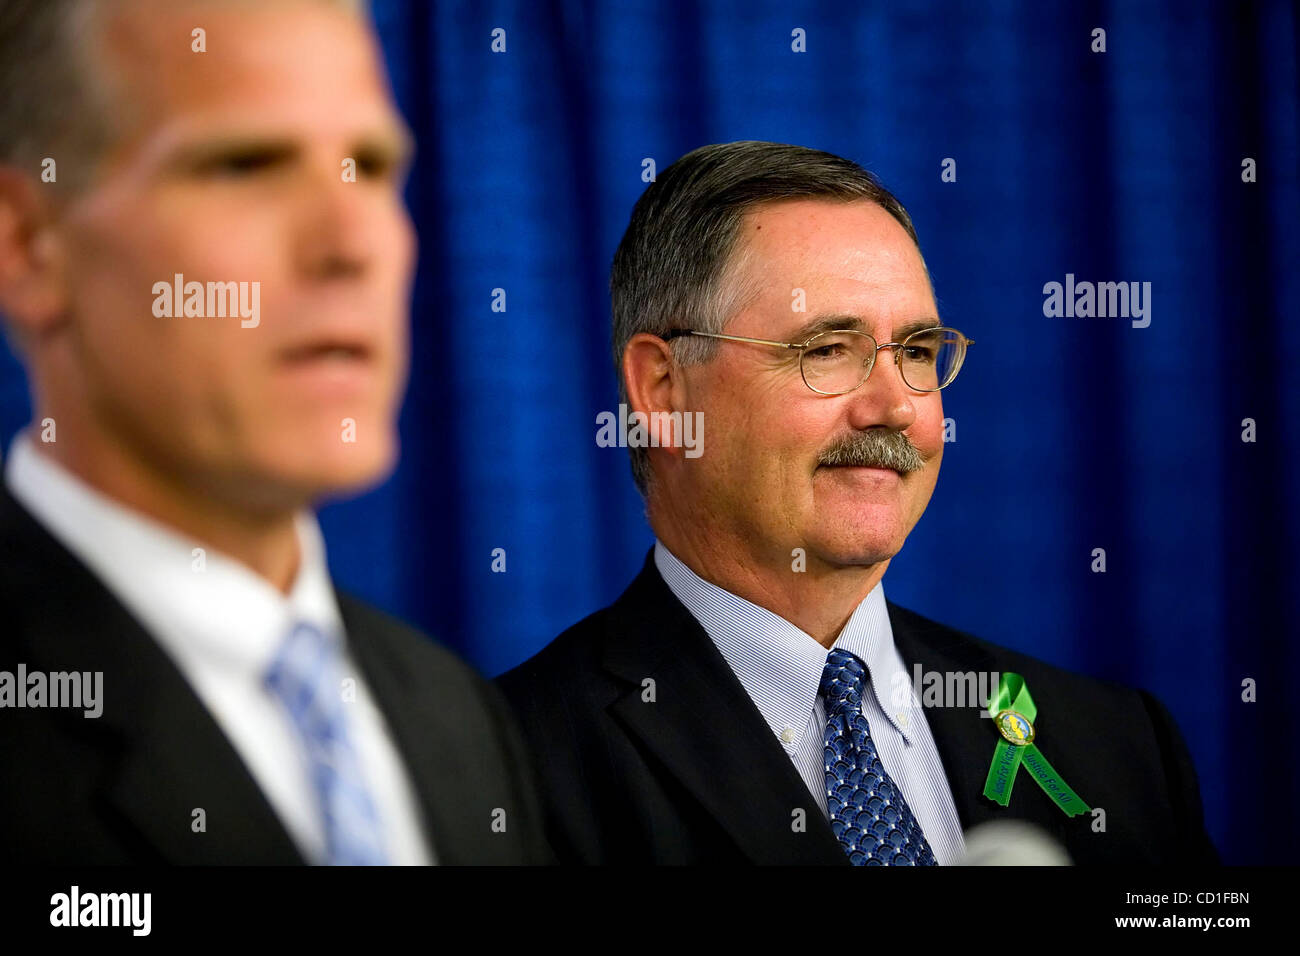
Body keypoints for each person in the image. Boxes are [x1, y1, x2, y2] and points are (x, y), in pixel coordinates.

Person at [498, 140, 1218, 865]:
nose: (897, 408)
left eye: (915, 352)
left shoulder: (1117, 747)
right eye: (827, 348)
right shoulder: (505, 773)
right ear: (662, 389)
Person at [0, 0, 549, 865]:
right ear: (29, 242)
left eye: (369, 166)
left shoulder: (457, 716)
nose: (352, 242)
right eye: (246, 164)